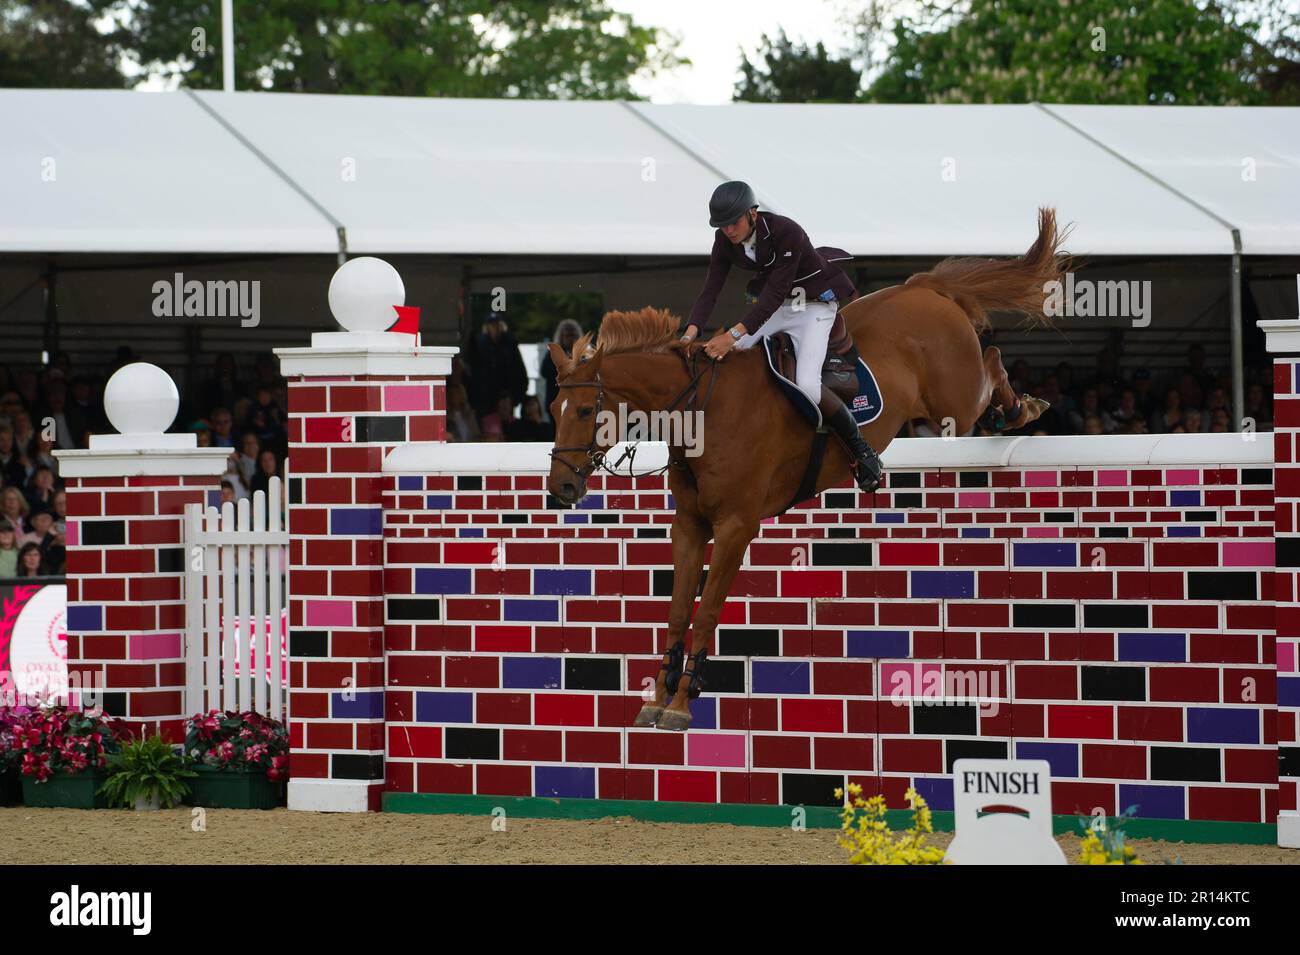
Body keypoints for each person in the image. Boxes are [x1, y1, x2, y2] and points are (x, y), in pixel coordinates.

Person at [680, 181, 881, 491]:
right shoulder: (724, 240)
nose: (728, 230)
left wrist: (731, 334)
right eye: (722, 225)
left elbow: (772, 294)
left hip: (814, 307)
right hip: (778, 308)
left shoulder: (787, 231)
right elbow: (711, 288)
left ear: (753, 213)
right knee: (727, 359)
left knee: (808, 386)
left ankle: (861, 448)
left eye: (733, 222)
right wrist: (689, 333)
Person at [462, 313, 528, 426]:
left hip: (507, 394)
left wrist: (518, 395)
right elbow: (475, 369)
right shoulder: (479, 343)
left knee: (508, 425)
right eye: (491, 325)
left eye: (497, 324)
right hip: (486, 396)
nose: (494, 328)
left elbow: (518, 369)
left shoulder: (510, 342)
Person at [541, 319, 583, 416]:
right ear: (562, 337)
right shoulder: (553, 352)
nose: (571, 339)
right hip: (556, 399)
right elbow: (544, 372)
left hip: (576, 402)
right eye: (568, 335)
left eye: (573, 335)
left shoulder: (582, 354)